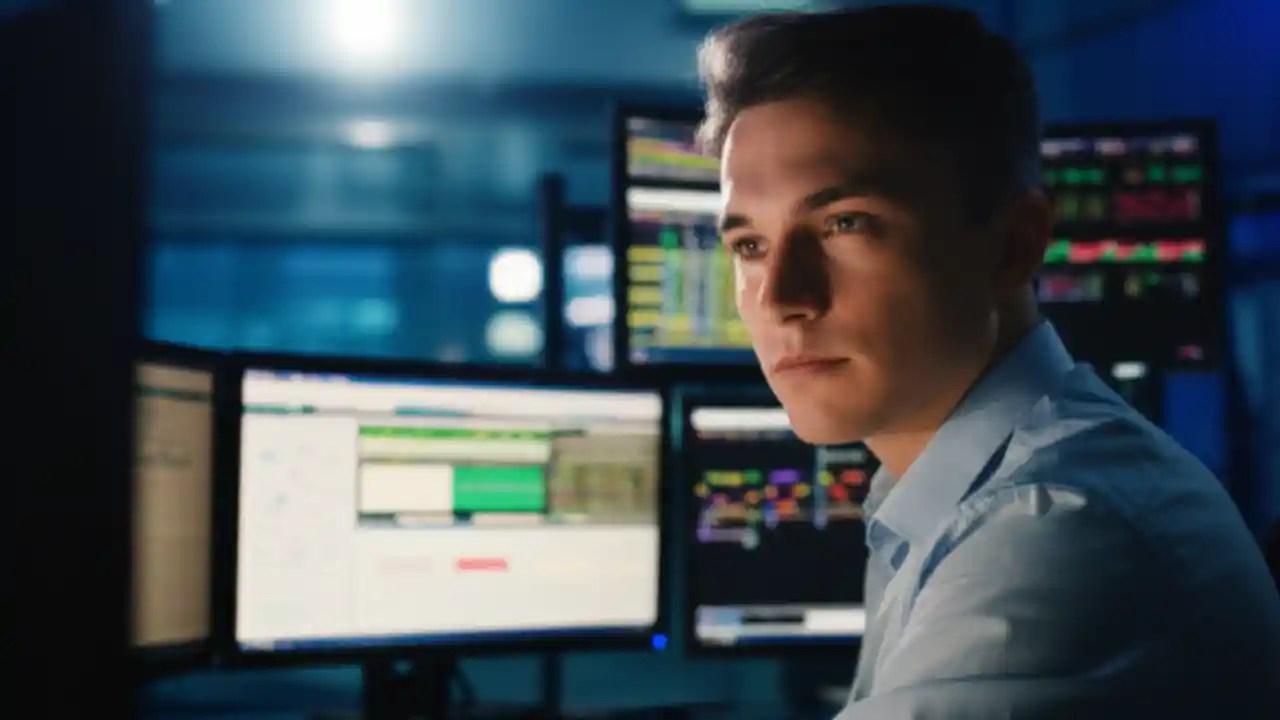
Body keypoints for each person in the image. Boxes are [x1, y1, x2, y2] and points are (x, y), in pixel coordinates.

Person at [697, 4, 1280, 718]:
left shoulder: (1051, 530)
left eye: (844, 223)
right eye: (750, 245)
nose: (782, 297)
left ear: (1013, 244)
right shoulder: (955, 497)